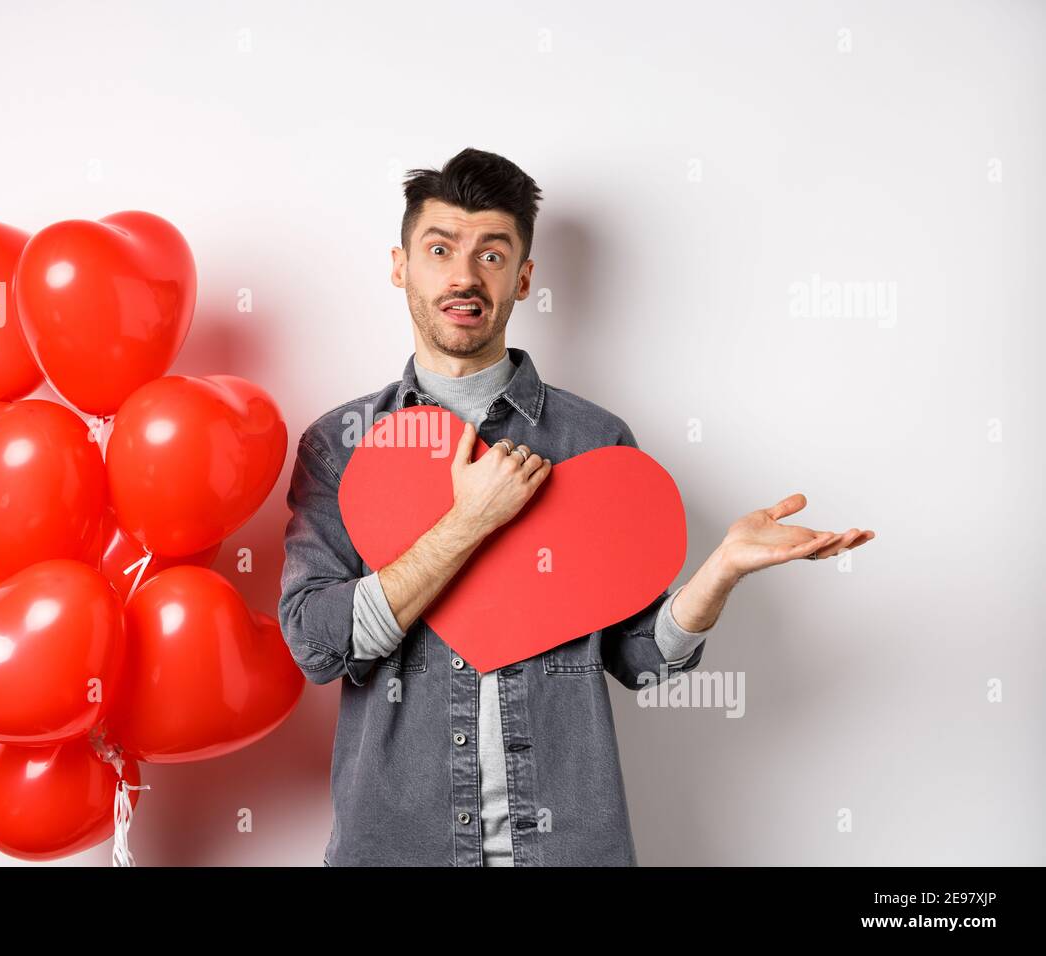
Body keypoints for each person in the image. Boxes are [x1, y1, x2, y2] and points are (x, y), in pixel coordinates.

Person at [277, 147, 874, 866]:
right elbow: (315, 644)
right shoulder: (342, 447)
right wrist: (470, 521)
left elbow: (640, 660)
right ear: (401, 266)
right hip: (398, 847)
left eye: (492, 255)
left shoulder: (595, 444)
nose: (464, 276)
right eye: (440, 250)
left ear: (524, 278)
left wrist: (721, 571)